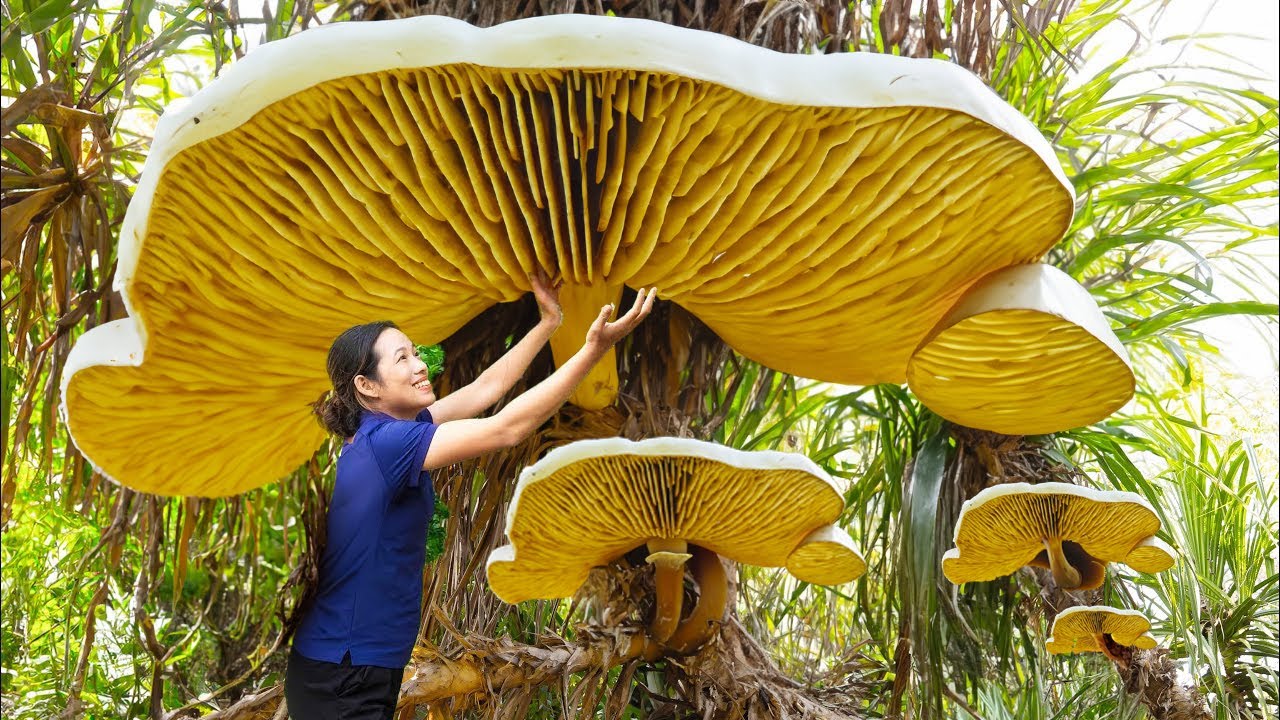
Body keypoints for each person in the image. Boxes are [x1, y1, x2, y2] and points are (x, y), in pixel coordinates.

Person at [285, 273, 656, 719]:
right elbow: (507, 429)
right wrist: (592, 350)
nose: (420, 365)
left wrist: (549, 322)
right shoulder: (387, 444)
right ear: (367, 386)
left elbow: (484, 391)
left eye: (415, 352)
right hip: (344, 672)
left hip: (356, 662)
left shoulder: (391, 431)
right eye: (402, 358)